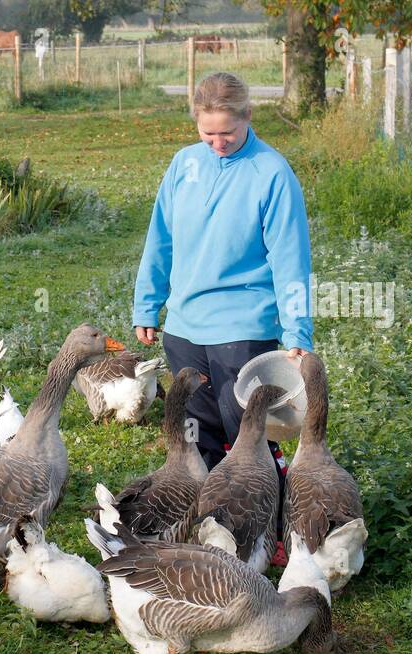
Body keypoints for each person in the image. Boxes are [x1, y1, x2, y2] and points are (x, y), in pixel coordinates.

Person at [132, 71, 312, 559]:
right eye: (206, 132)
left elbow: (290, 258)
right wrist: (148, 303)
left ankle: (276, 532)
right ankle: (218, 528)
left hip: (244, 330)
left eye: (225, 133)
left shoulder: (271, 173)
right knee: (199, 436)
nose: (216, 142)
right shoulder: (184, 165)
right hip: (186, 328)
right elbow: (160, 239)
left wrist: (298, 331)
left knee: (250, 440)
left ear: (248, 117)